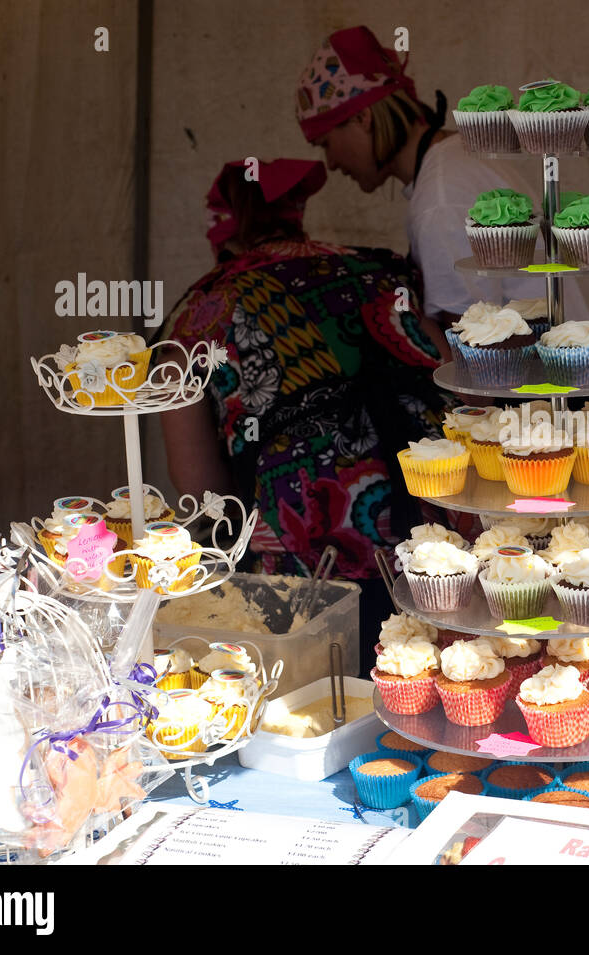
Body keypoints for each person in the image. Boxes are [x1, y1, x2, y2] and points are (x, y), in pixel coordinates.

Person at [159, 157, 461, 669]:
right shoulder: (385, 270)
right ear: (298, 216)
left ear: (224, 235)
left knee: (332, 704)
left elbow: (201, 491)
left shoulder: (198, 310)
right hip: (437, 518)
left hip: (305, 548)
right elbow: (453, 374)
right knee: (448, 694)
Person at [294, 25, 589, 333]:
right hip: (567, 365)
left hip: (542, 378)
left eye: (326, 143)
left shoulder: (440, 198)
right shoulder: (458, 155)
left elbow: (470, 343)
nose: (330, 163)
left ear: (361, 119)